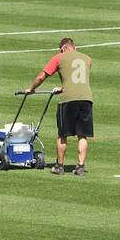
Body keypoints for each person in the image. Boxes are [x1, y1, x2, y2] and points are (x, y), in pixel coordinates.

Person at [26, 37, 93, 176]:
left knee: (63, 134)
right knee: (82, 135)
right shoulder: (87, 59)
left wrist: (32, 88)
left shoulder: (58, 57)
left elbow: (41, 77)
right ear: (74, 47)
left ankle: (59, 166)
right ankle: (80, 166)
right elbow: (77, 78)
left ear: (63, 48)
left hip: (68, 100)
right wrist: (63, 87)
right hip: (86, 99)